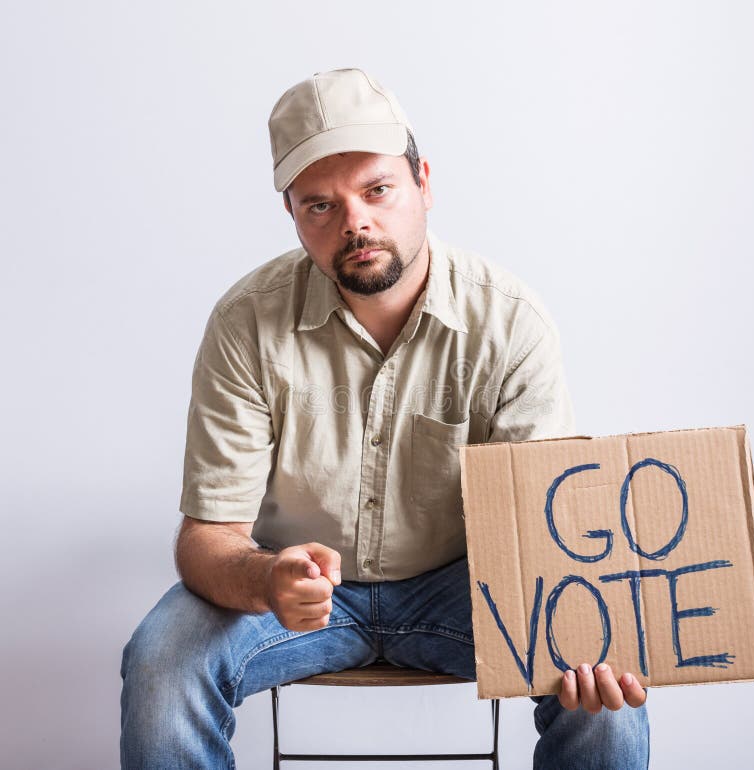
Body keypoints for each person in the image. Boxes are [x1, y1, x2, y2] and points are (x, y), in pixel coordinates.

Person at [120, 67, 649, 769]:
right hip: (294, 590)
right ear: (292, 215)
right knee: (161, 664)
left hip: (467, 589)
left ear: (423, 182)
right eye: (319, 206)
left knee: (608, 684)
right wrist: (269, 580)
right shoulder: (247, 323)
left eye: (377, 191)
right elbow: (206, 541)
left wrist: (587, 629)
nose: (355, 223)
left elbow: (546, 535)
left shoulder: (509, 321)